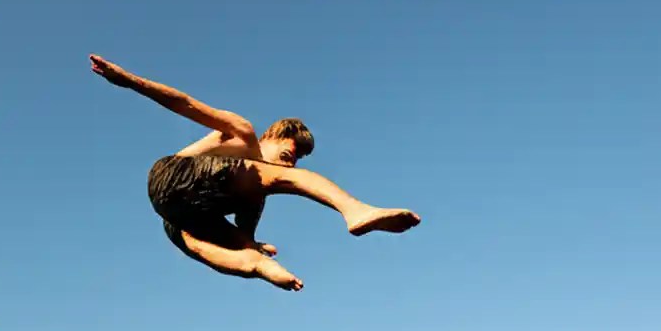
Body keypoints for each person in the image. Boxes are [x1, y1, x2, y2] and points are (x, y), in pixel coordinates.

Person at [89, 54, 420, 291]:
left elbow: (241, 227)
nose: (289, 165)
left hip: (177, 216)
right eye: (288, 154)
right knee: (272, 182)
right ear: (271, 137)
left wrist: (253, 244)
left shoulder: (252, 195)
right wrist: (130, 81)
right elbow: (185, 104)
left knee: (208, 244)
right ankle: (354, 209)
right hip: (169, 175)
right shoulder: (240, 134)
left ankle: (255, 264)